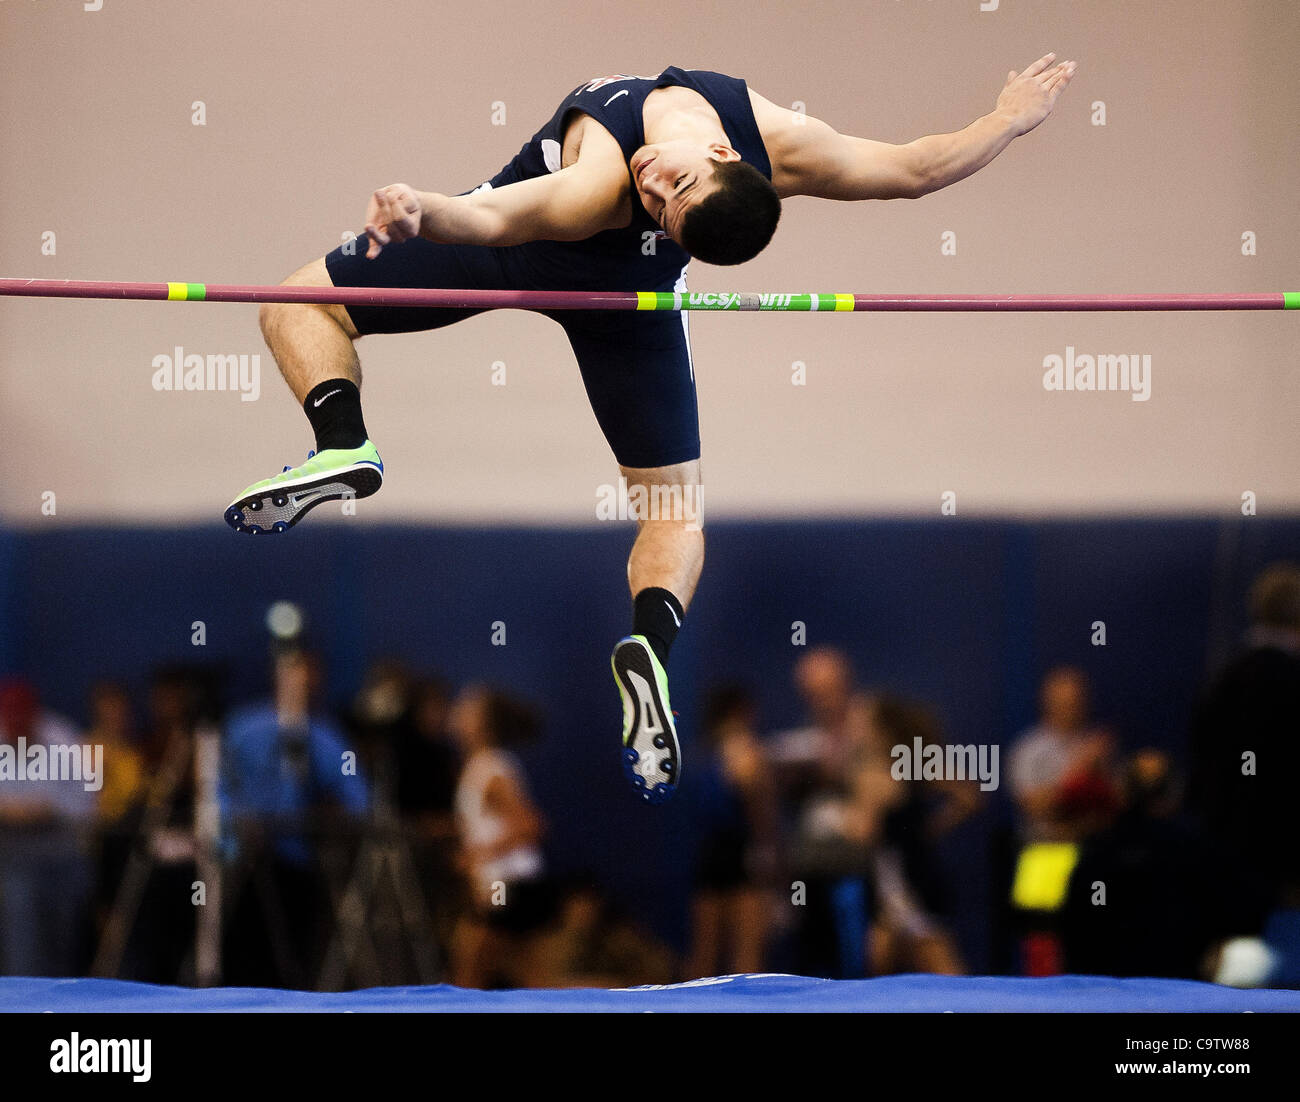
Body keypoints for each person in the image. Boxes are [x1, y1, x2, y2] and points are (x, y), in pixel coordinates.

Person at [228, 58, 1077, 802]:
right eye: (668, 186)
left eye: (666, 209)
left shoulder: (624, 172)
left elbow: (500, 220)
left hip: (556, 266)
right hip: (590, 284)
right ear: (720, 153)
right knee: (672, 510)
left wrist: (424, 211)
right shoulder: (766, 137)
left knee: (298, 301)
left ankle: (352, 446)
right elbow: (913, 169)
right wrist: (1007, 117)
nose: (651, 186)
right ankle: (641, 639)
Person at [447, 686, 555, 989]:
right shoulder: (478, 766)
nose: (457, 714)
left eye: (466, 709)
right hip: (507, 886)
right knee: (534, 981)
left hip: (510, 886)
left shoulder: (493, 769)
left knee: (468, 975)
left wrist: (480, 854)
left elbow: (532, 826)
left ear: (483, 722)